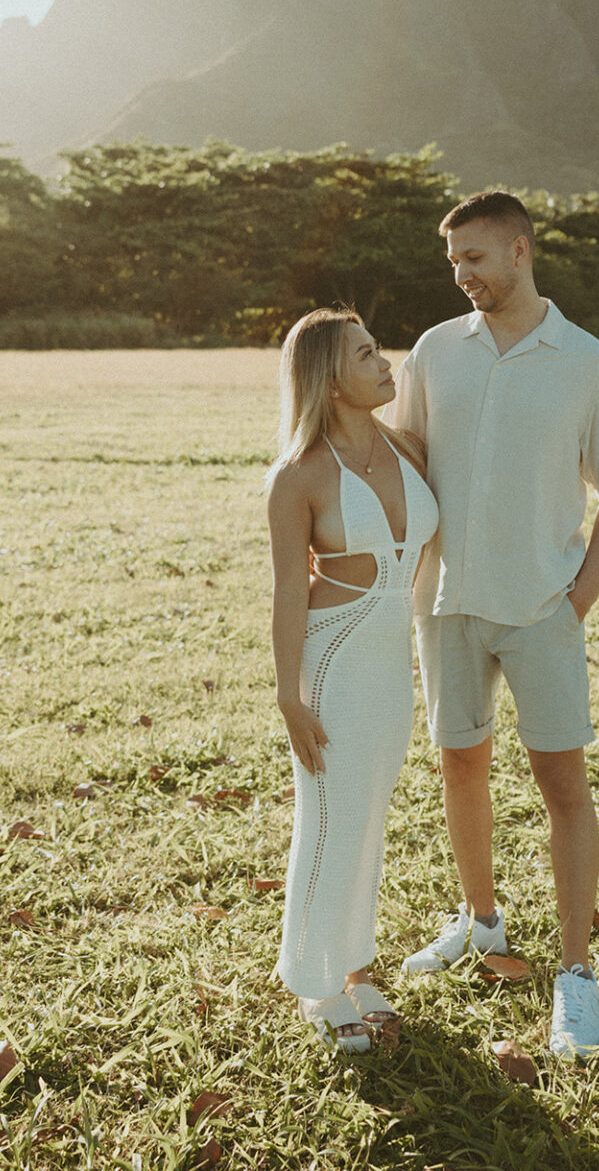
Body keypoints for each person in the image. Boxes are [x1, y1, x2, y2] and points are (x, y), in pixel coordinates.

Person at [385, 190, 599, 1057]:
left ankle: (576, 976)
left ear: (520, 251)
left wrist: (579, 597)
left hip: (541, 609)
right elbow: (407, 459)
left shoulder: (590, 363)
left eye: (475, 258)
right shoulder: (433, 351)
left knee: (562, 786)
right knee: (460, 762)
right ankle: (480, 919)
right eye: (452, 261)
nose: (462, 275)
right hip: (445, 600)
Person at [267, 307, 439, 1052]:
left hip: (391, 663)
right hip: (332, 660)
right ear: (330, 380)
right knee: (330, 819)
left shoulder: (408, 449)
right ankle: (315, 982)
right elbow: (288, 591)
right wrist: (288, 696)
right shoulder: (298, 476)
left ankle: (357, 967)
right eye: (366, 354)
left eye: (378, 348)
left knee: (369, 819)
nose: (384, 362)